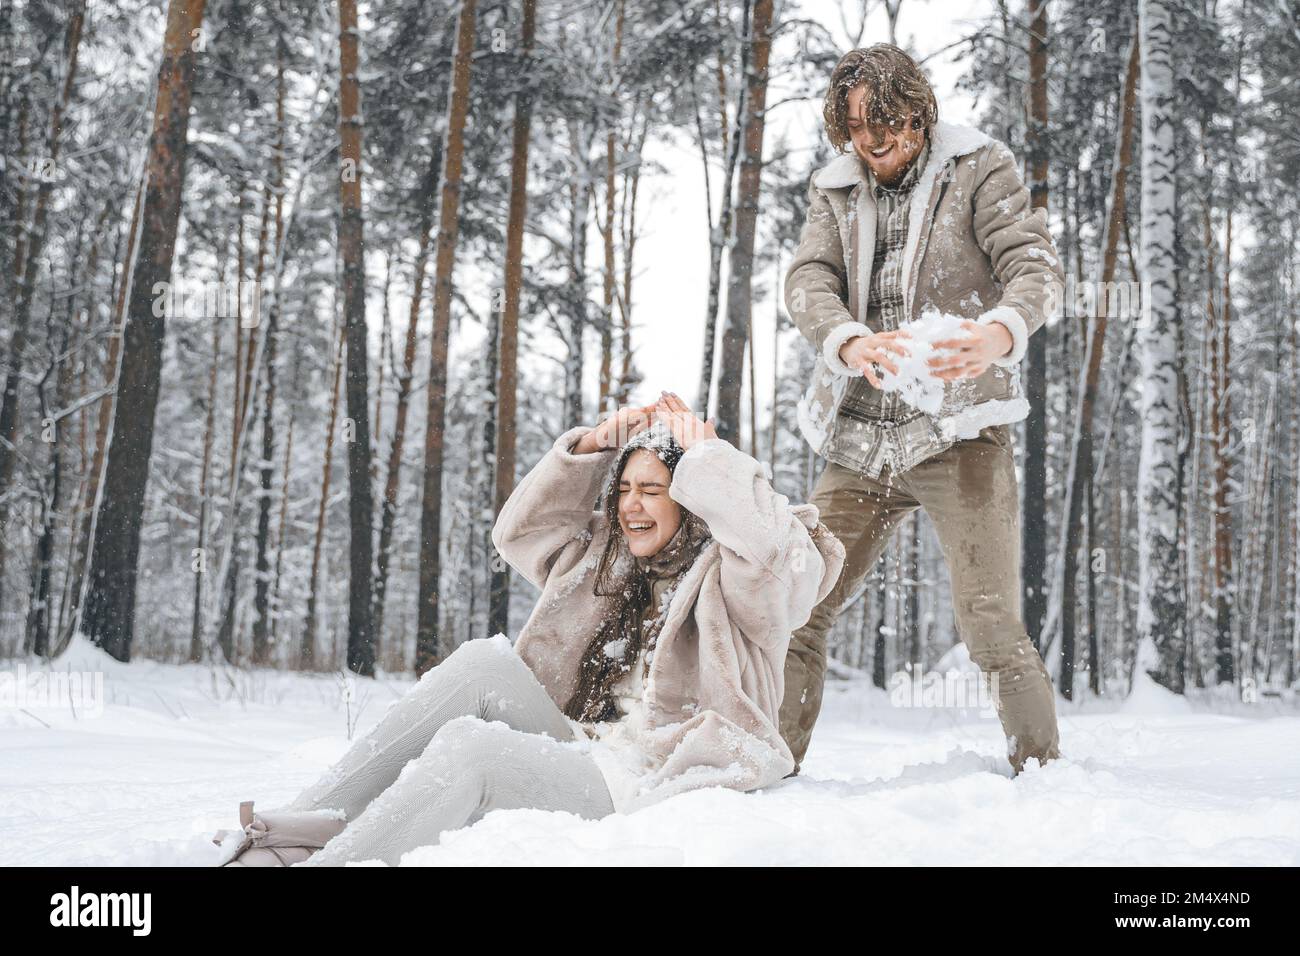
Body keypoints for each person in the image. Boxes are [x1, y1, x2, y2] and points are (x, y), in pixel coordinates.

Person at [213, 391, 844, 866]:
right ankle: (302, 827)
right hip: (583, 743)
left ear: (694, 498)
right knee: (479, 665)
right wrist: (595, 446)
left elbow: (775, 552)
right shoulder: (605, 561)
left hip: (656, 775)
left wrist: (708, 455)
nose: (631, 504)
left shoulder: (736, 581)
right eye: (624, 487)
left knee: (472, 750)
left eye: (653, 490)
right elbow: (517, 534)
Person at [780, 43, 1065, 776]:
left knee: (991, 623)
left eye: (888, 122)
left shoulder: (980, 167)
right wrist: (846, 340)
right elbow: (809, 278)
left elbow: (1032, 263)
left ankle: (1042, 778)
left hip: (957, 430)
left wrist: (999, 331)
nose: (873, 140)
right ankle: (768, 770)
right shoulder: (835, 189)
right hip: (859, 439)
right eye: (856, 127)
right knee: (796, 610)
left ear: (919, 110)